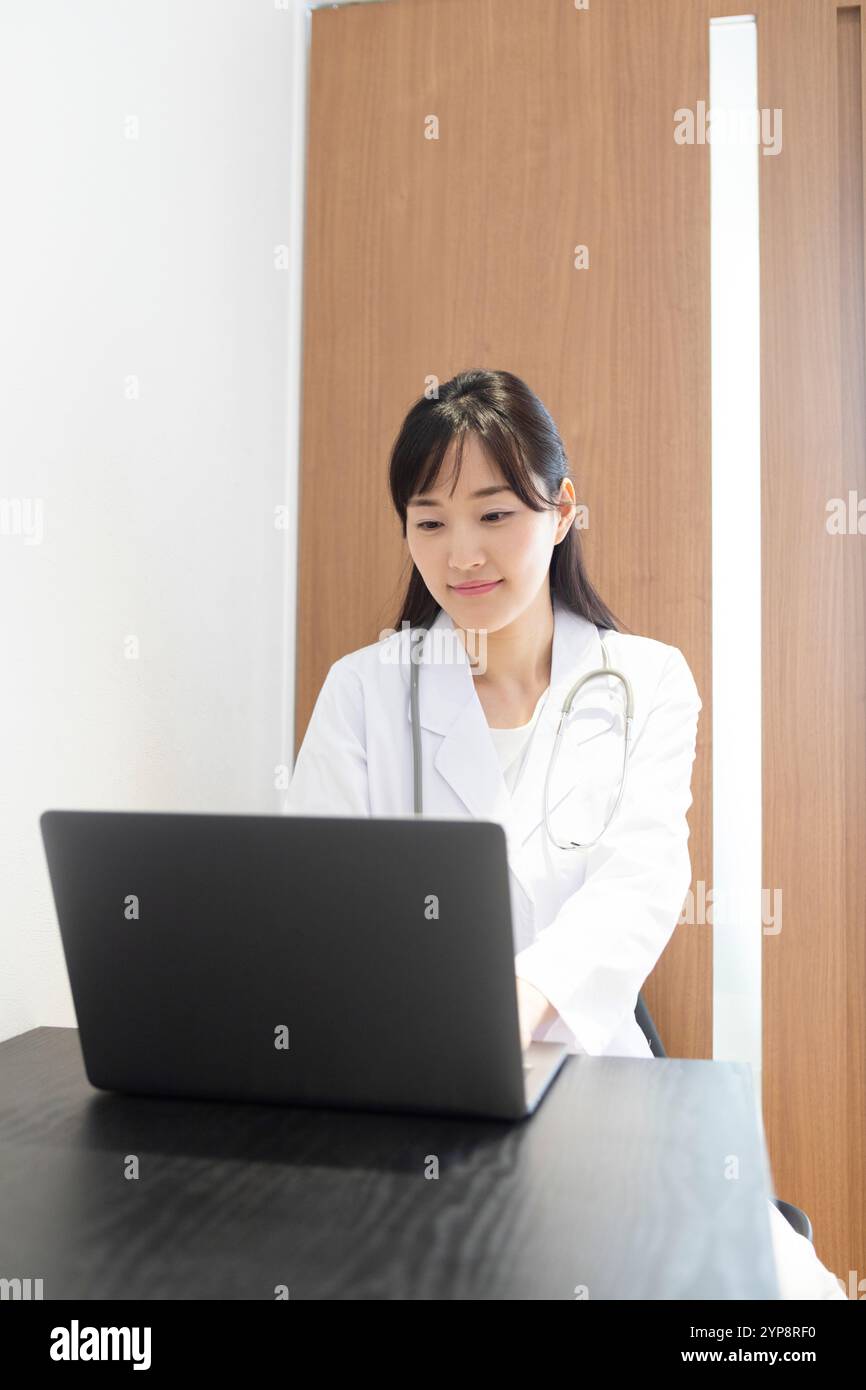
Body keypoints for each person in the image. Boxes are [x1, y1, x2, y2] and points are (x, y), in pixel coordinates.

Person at [284, 367, 847, 1300]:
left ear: (561, 509)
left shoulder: (647, 681)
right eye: (429, 521)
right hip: (406, 1099)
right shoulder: (364, 693)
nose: (461, 551)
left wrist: (522, 994)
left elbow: (643, 879)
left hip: (598, 1086)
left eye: (494, 514)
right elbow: (315, 901)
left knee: (778, 1304)